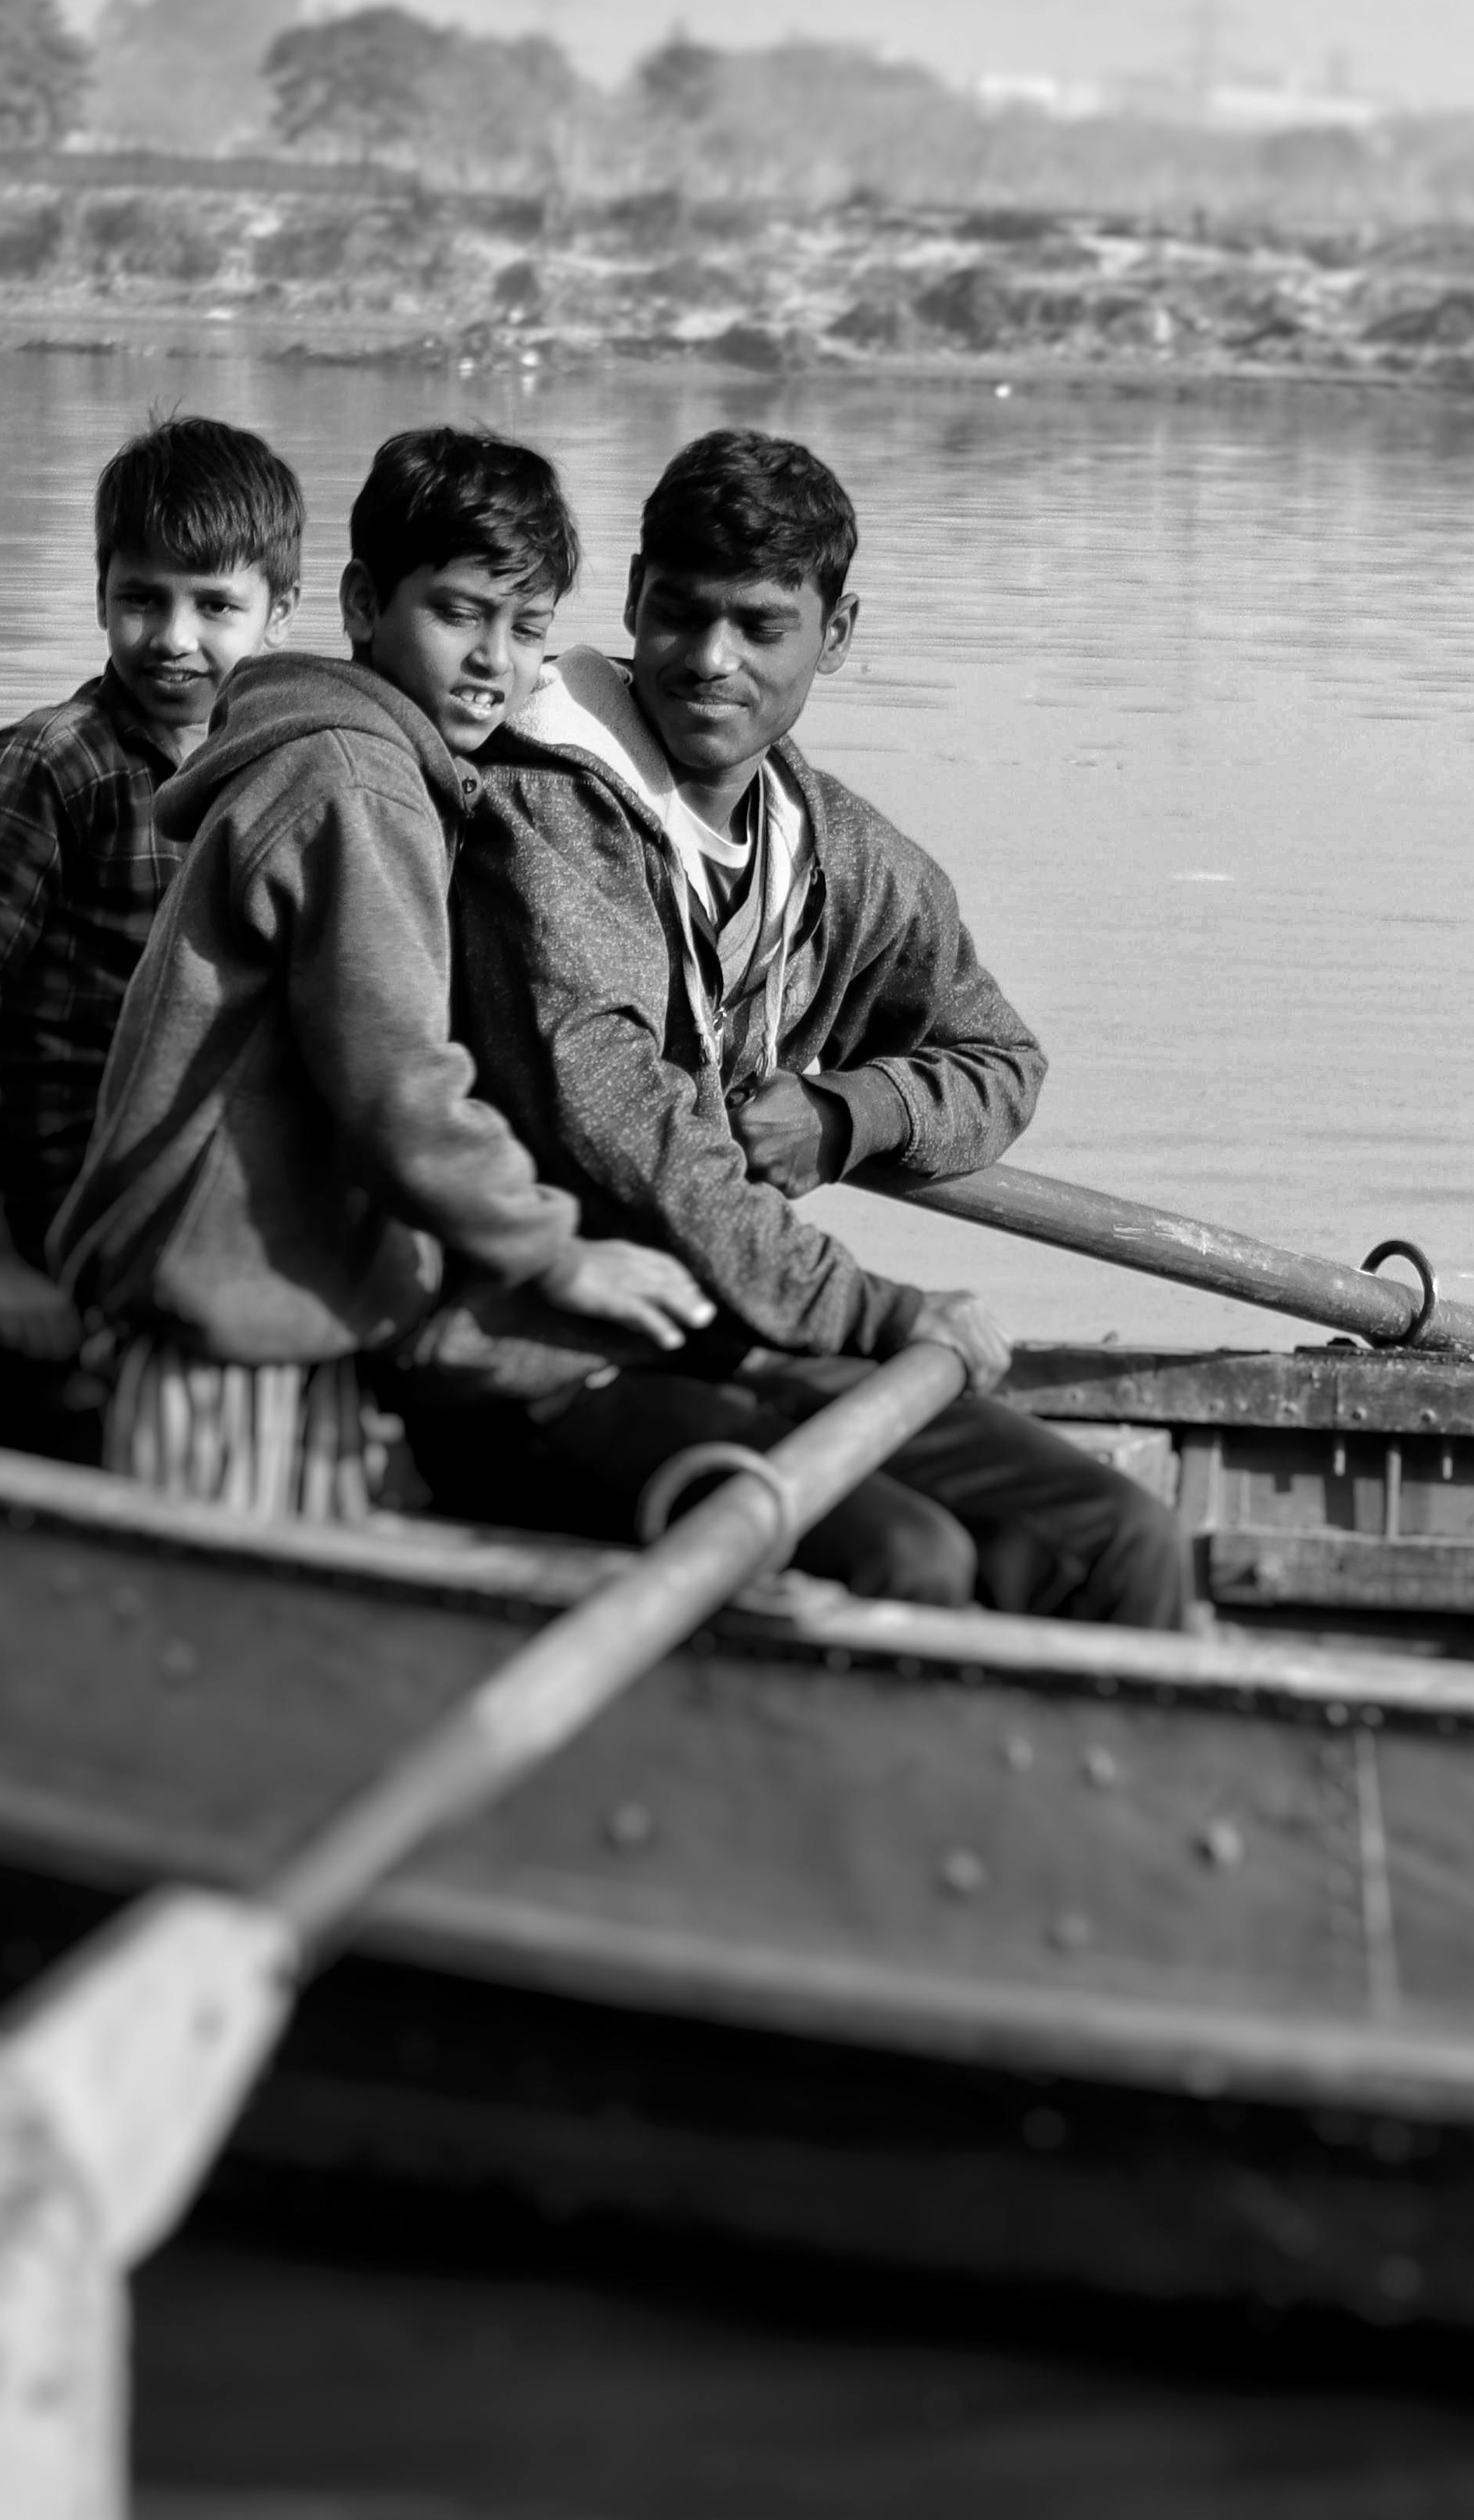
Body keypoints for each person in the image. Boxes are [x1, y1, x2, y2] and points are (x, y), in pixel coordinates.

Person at [398, 427, 1184, 1626]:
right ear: (633, 603)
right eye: (679, 615)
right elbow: (629, 1132)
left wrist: (847, 1113)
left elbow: (1000, 1062)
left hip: (745, 1335)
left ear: (840, 634)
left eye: (760, 627)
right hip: (544, 1357)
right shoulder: (544, 810)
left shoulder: (835, 853)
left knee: (1113, 1534)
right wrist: (878, 1311)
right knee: (908, 1561)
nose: (709, 662)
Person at [47, 425, 714, 1517]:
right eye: (458, 612)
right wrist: (556, 1255)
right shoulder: (356, 783)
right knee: (215, 1639)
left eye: (529, 628)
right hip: (224, 1315)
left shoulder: (370, 760)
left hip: (283, 1300)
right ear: (361, 605)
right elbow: (398, 1081)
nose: (496, 660)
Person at [0, 416, 296, 1457]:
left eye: (217, 607)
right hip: (66, 1233)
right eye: (141, 599)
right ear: (101, 590)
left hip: (201, 1224)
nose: (172, 638)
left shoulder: (278, 769)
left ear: (280, 612)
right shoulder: (50, 771)